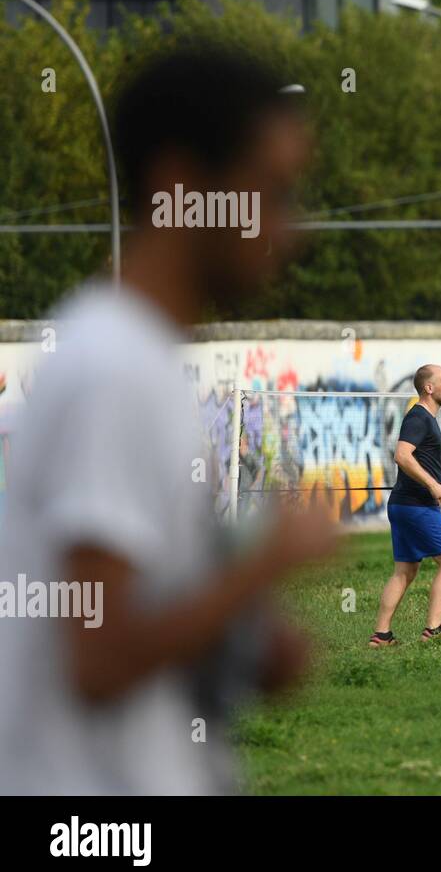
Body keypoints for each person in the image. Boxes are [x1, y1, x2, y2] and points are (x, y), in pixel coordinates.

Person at [0, 47, 339, 794]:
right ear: (183, 185)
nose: (290, 230)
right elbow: (100, 659)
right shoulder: (113, 372)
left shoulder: (134, 359)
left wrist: (254, 633)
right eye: (272, 192)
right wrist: (265, 564)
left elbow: (144, 625)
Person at [370, 365, 441, 646]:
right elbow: (402, 456)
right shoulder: (419, 417)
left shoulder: (427, 418)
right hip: (416, 505)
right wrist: (433, 486)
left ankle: (381, 635)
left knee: (405, 571)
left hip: (403, 505)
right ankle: (434, 630)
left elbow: (430, 462)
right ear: (429, 388)